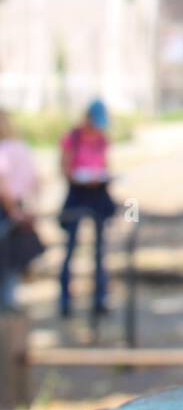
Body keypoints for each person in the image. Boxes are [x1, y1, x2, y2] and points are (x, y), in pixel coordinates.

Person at [59, 100, 116, 317]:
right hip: (77, 194)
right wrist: (80, 178)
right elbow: (64, 169)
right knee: (70, 248)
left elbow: (105, 165)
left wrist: (101, 177)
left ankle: (100, 298)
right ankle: (65, 300)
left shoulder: (102, 139)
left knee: (100, 250)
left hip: (98, 194)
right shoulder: (72, 138)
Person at [0, 112, 40, 311]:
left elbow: (3, 185)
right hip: (20, 205)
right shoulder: (21, 148)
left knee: (6, 258)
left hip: (8, 208)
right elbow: (35, 180)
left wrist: (12, 210)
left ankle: (7, 303)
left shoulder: (4, 150)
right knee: (12, 260)